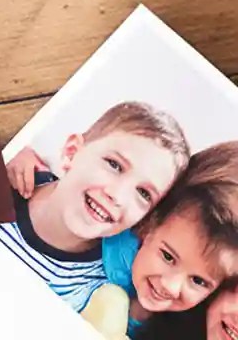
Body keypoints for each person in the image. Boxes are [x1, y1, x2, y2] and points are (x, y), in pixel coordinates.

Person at [0, 101, 190, 313]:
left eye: (143, 193)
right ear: (72, 152)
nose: (117, 195)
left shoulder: (98, 289)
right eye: (114, 165)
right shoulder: (4, 181)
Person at [96, 142, 238, 337]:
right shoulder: (105, 241)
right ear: (150, 223)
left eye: (198, 281)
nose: (170, 286)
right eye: (168, 257)